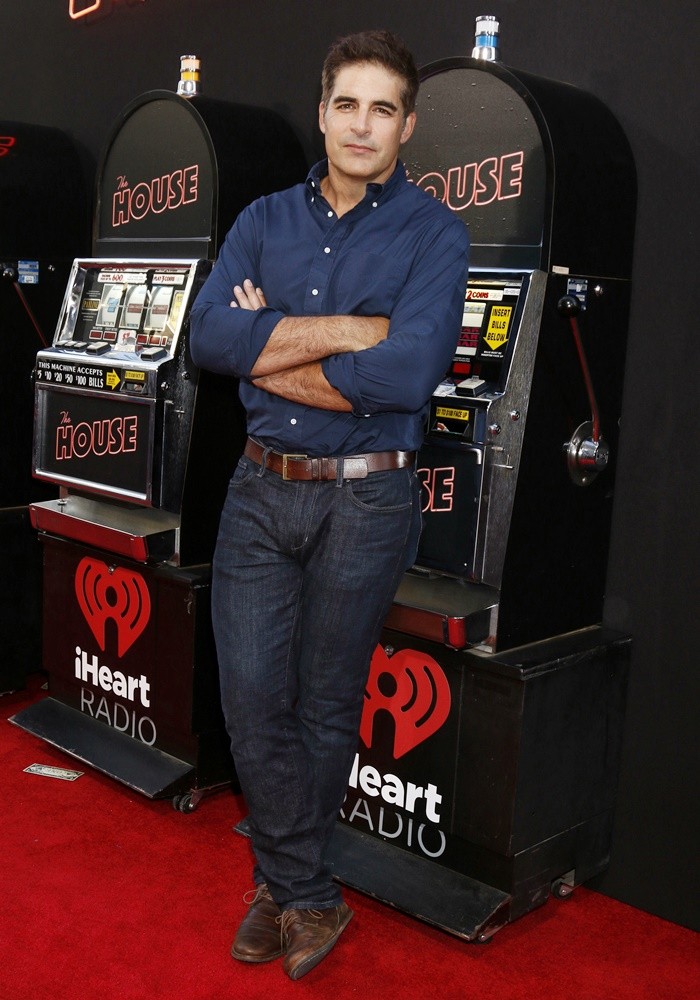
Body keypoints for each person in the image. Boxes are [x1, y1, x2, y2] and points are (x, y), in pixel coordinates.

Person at [189, 29, 469, 980]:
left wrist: (272, 342)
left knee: (322, 704)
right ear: (322, 112)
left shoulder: (436, 232)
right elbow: (210, 341)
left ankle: (283, 887)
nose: (362, 124)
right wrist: (349, 336)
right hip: (259, 489)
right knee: (250, 698)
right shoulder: (265, 217)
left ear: (407, 126)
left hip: (371, 497)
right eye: (346, 103)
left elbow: (411, 371)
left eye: (382, 108)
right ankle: (304, 890)